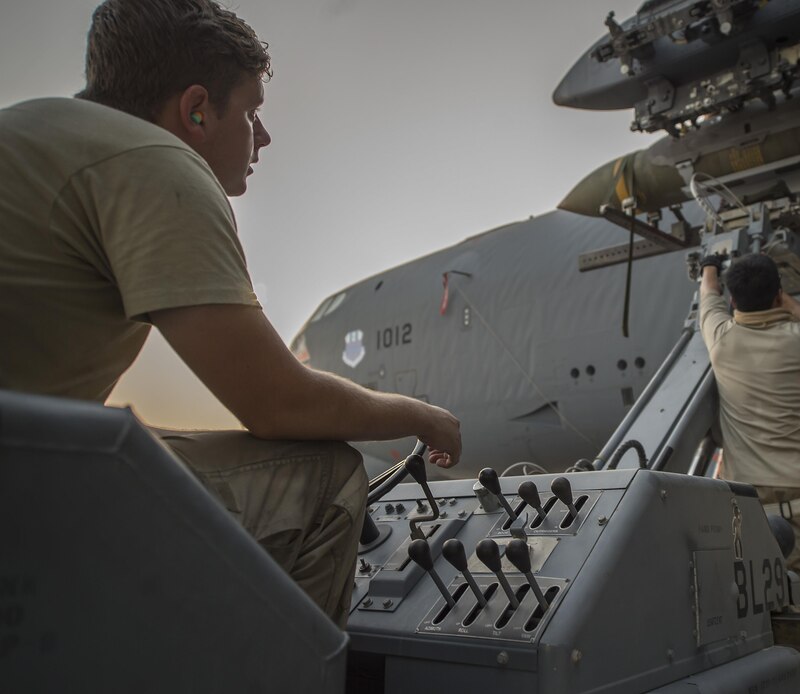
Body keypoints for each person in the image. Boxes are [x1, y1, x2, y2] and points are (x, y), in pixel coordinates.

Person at [0, 0, 461, 628]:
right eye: (251, 112)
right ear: (195, 109)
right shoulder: (153, 161)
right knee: (326, 476)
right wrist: (422, 416)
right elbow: (280, 405)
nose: (263, 137)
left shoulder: (31, 130)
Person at [699, 252, 800, 613]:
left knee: (757, 608)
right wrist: (782, 296)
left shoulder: (721, 339)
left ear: (733, 301)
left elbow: (708, 295)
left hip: (749, 506)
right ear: (779, 294)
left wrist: (710, 267)